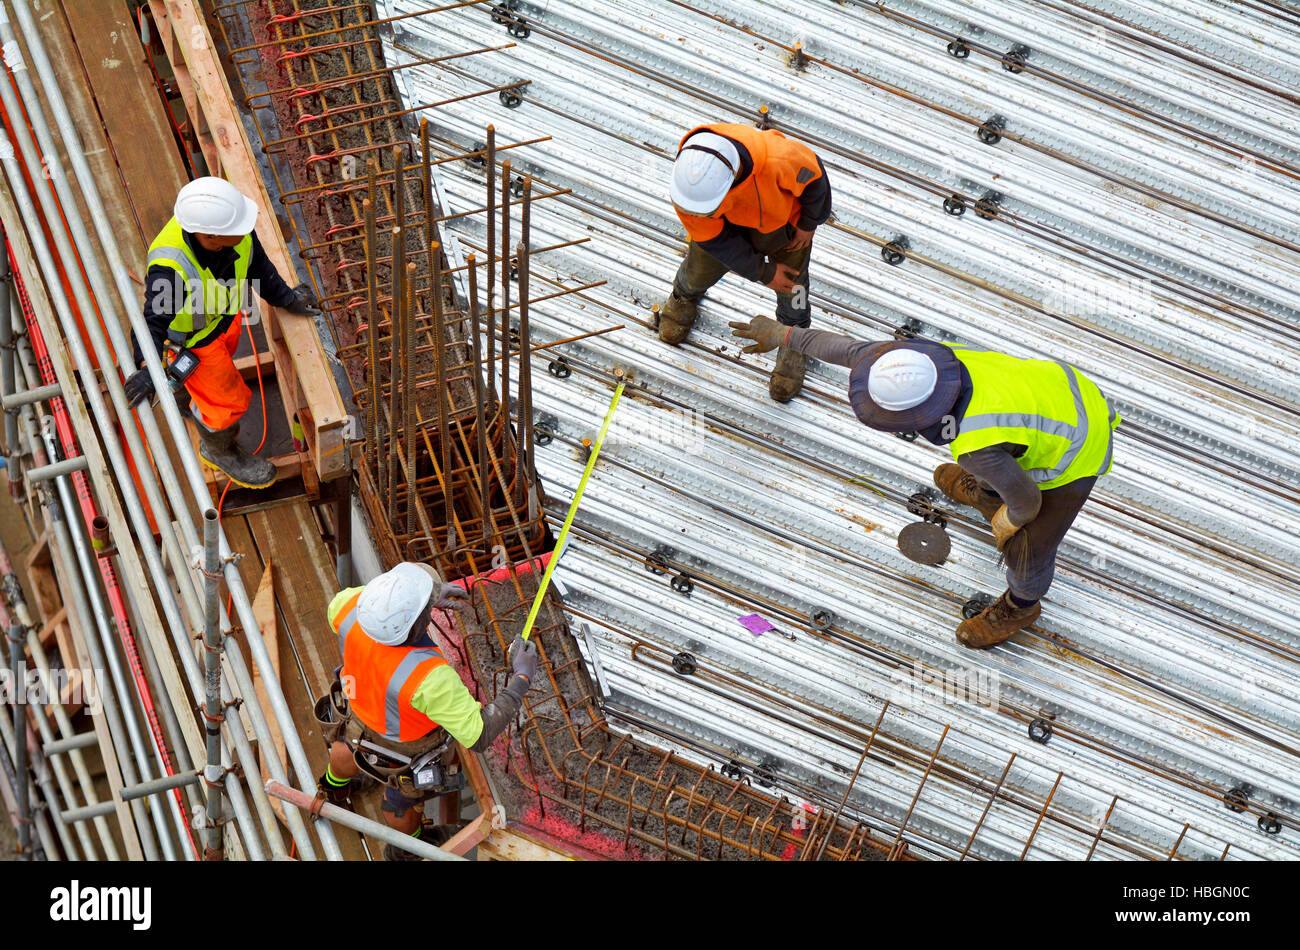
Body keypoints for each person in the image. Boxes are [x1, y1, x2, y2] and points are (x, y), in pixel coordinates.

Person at [730, 316, 1119, 648]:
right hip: (1059, 391)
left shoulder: (974, 445)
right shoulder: (912, 362)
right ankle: (988, 493)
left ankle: (1021, 606)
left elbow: (1029, 501)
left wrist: (1008, 523)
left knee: (1027, 550)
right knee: (998, 462)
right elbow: (846, 350)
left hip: (1078, 448)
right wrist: (780, 334)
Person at [317, 562, 538, 859]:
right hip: (400, 748)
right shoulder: (429, 677)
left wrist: (429, 597)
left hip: (358, 712)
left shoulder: (347, 607)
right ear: (417, 625)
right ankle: (408, 848)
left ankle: (333, 789)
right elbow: (479, 734)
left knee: (345, 751)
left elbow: (377, 612)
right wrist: (521, 679)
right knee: (399, 802)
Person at [123, 177, 320, 488]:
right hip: (194, 344)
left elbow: (260, 269)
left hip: (223, 321)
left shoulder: (234, 232)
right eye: (238, 227)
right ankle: (219, 451)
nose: (247, 229)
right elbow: (152, 322)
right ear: (211, 235)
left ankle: (182, 392)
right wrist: (148, 368)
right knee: (228, 403)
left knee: (222, 362)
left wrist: (287, 299)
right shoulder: (172, 267)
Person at [662, 123, 832, 402]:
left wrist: (808, 223)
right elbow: (714, 241)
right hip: (725, 231)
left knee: (795, 288)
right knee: (697, 270)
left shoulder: (780, 159)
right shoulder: (688, 189)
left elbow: (816, 181)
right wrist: (763, 272)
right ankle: (682, 299)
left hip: (786, 228)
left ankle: (796, 336)